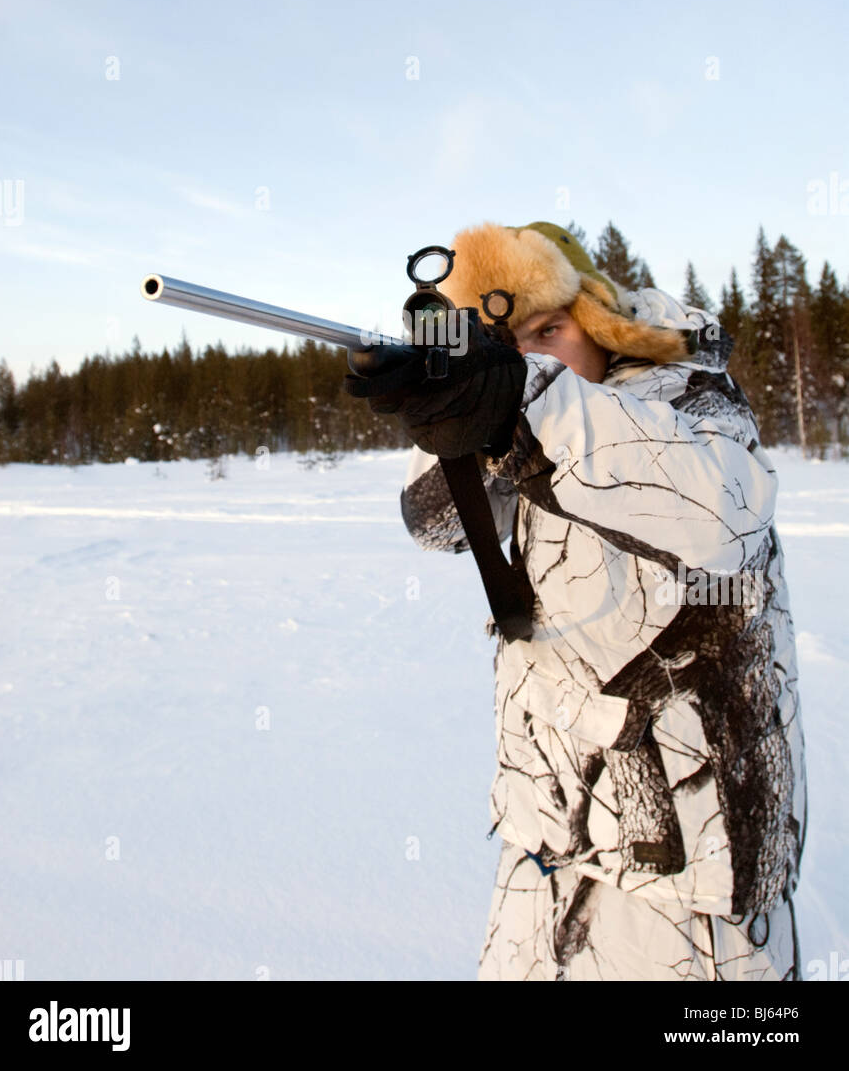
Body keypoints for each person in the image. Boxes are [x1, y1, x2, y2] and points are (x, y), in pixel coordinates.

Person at [345, 220, 807, 982]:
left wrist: (522, 399)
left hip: (697, 876)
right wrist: (444, 416)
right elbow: (434, 525)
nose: (532, 353)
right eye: (507, 342)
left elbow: (723, 511)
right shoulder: (523, 419)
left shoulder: (690, 397)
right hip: (546, 841)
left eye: (548, 328)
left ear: (594, 318)